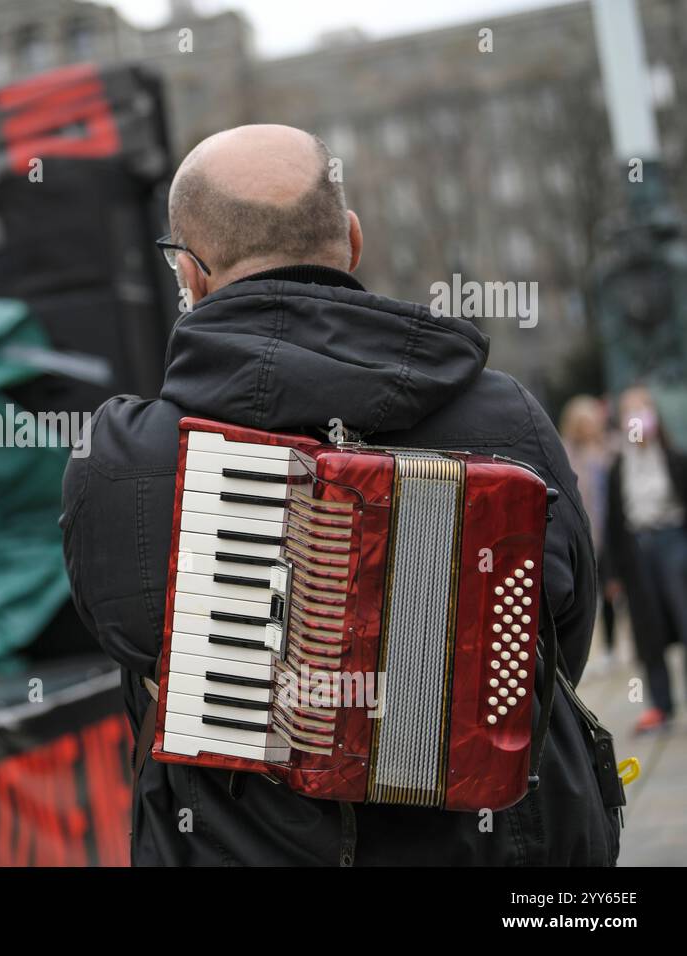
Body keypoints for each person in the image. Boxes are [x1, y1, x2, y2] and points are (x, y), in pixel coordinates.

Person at [61, 124, 619, 865]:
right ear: (351, 241)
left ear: (188, 277)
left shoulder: (123, 455)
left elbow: (123, 639)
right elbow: (562, 637)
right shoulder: (507, 414)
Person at [605, 385, 687, 734]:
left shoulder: (673, 458)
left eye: (642, 408)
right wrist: (611, 574)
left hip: (674, 541)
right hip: (638, 550)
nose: (636, 417)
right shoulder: (619, 467)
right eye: (629, 410)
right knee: (648, 631)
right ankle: (659, 705)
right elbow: (612, 522)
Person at [560, 395, 617, 668]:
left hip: (611, 533)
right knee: (586, 592)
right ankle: (588, 651)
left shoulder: (609, 448)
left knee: (610, 591)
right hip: (585, 534)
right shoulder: (566, 453)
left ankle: (612, 646)